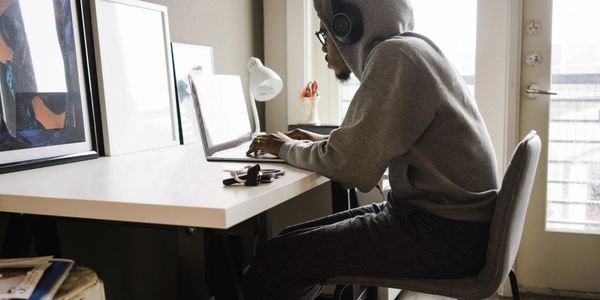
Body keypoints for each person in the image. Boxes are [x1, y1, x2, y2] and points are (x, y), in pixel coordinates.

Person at [242, 0, 498, 299]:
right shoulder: (412, 50)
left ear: (347, 26)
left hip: (446, 235)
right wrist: (319, 143)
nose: (324, 46)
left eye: (325, 31)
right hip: (448, 224)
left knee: (279, 260)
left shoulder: (395, 57)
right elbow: (367, 145)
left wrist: (286, 148)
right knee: (286, 243)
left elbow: (353, 169)